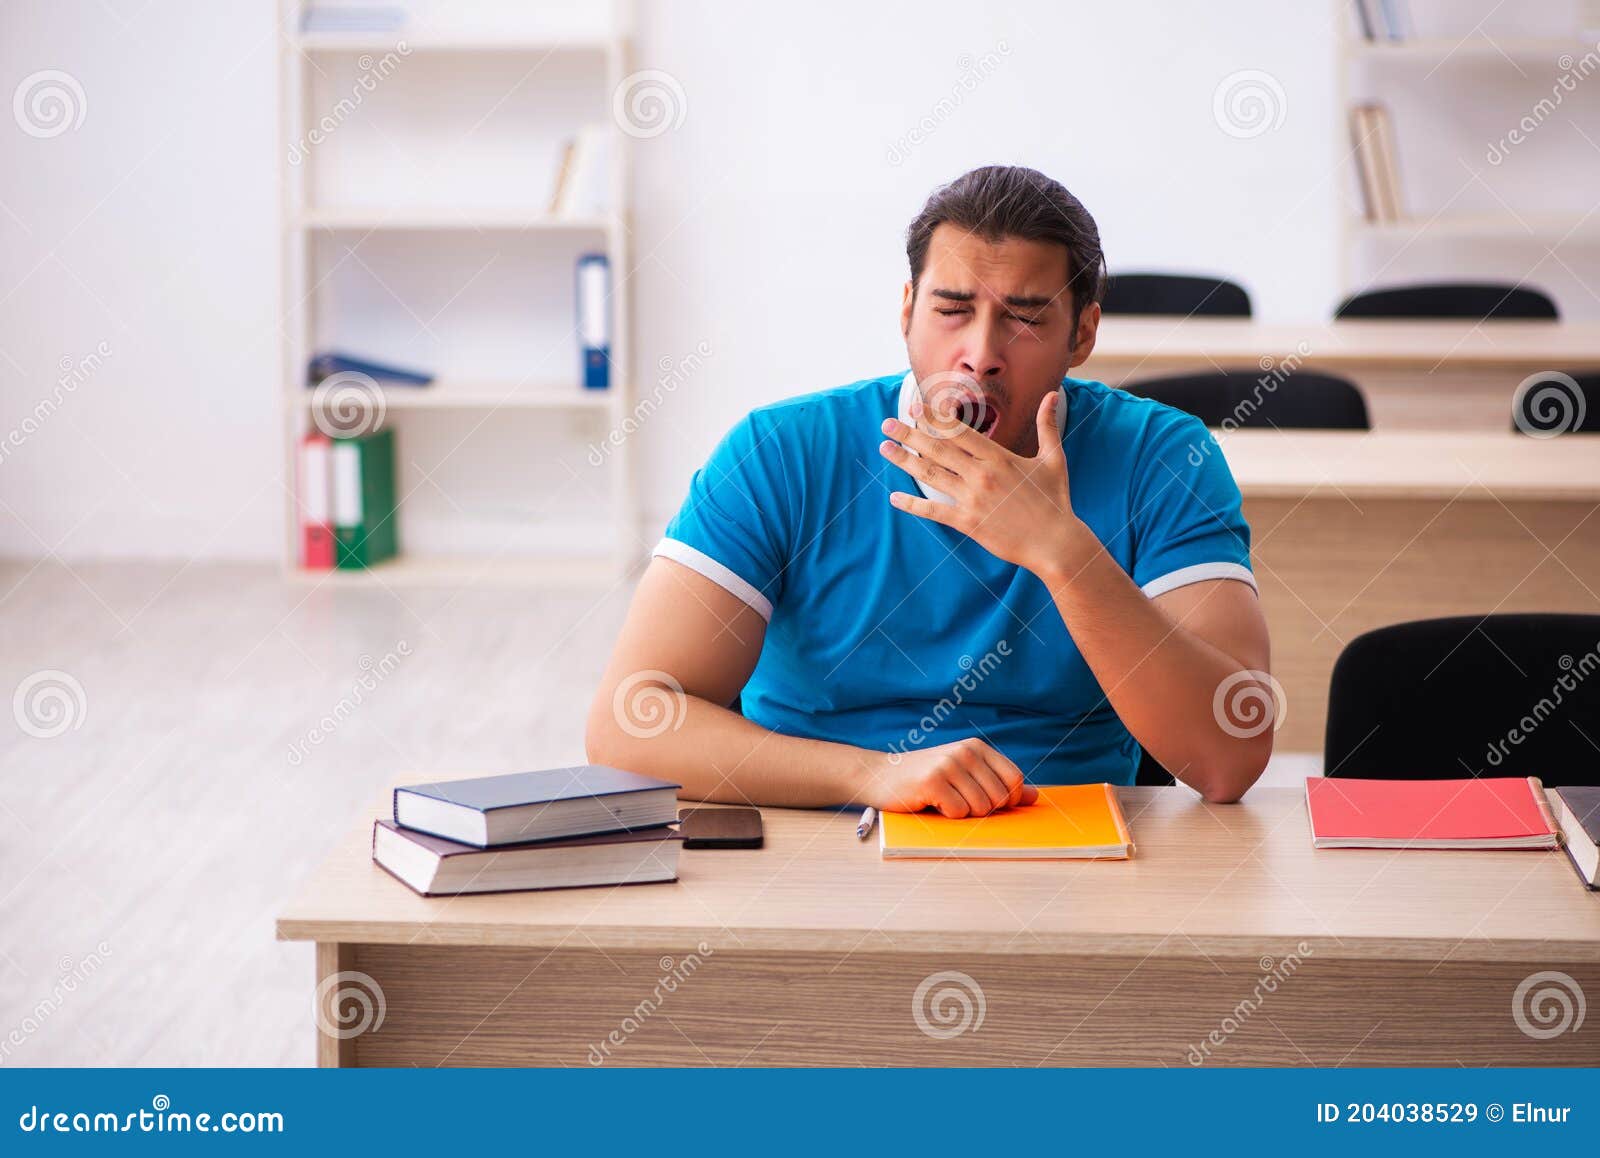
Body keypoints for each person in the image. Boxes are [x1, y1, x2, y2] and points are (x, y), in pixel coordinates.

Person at [587, 165, 1273, 816]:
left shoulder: (1163, 457)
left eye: (1026, 318)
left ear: (1083, 333)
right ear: (908, 310)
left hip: (1069, 848)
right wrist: (873, 774)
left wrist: (1062, 552)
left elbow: (1229, 760)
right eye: (952, 309)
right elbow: (628, 723)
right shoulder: (782, 452)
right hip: (816, 835)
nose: (980, 352)